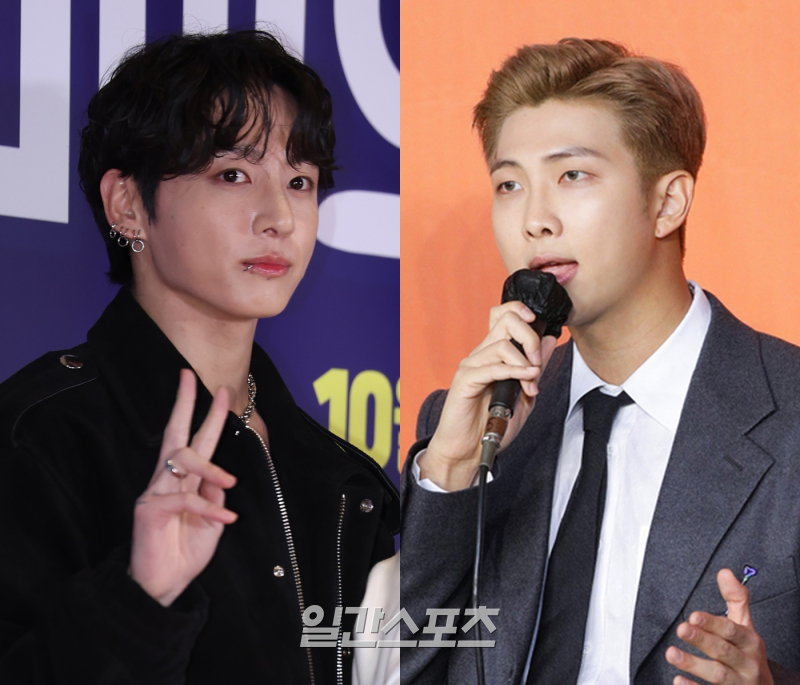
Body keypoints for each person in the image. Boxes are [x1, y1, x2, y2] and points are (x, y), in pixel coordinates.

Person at [0, 30, 399, 684]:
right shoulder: (42, 436)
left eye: (300, 181)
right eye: (232, 174)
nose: (279, 217)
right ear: (129, 204)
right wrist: (139, 597)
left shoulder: (341, 478)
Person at [401, 38, 800, 685]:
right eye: (509, 184)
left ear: (667, 202)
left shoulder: (790, 414)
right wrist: (449, 473)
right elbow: (402, 665)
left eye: (572, 176)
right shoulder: (475, 426)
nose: (534, 220)